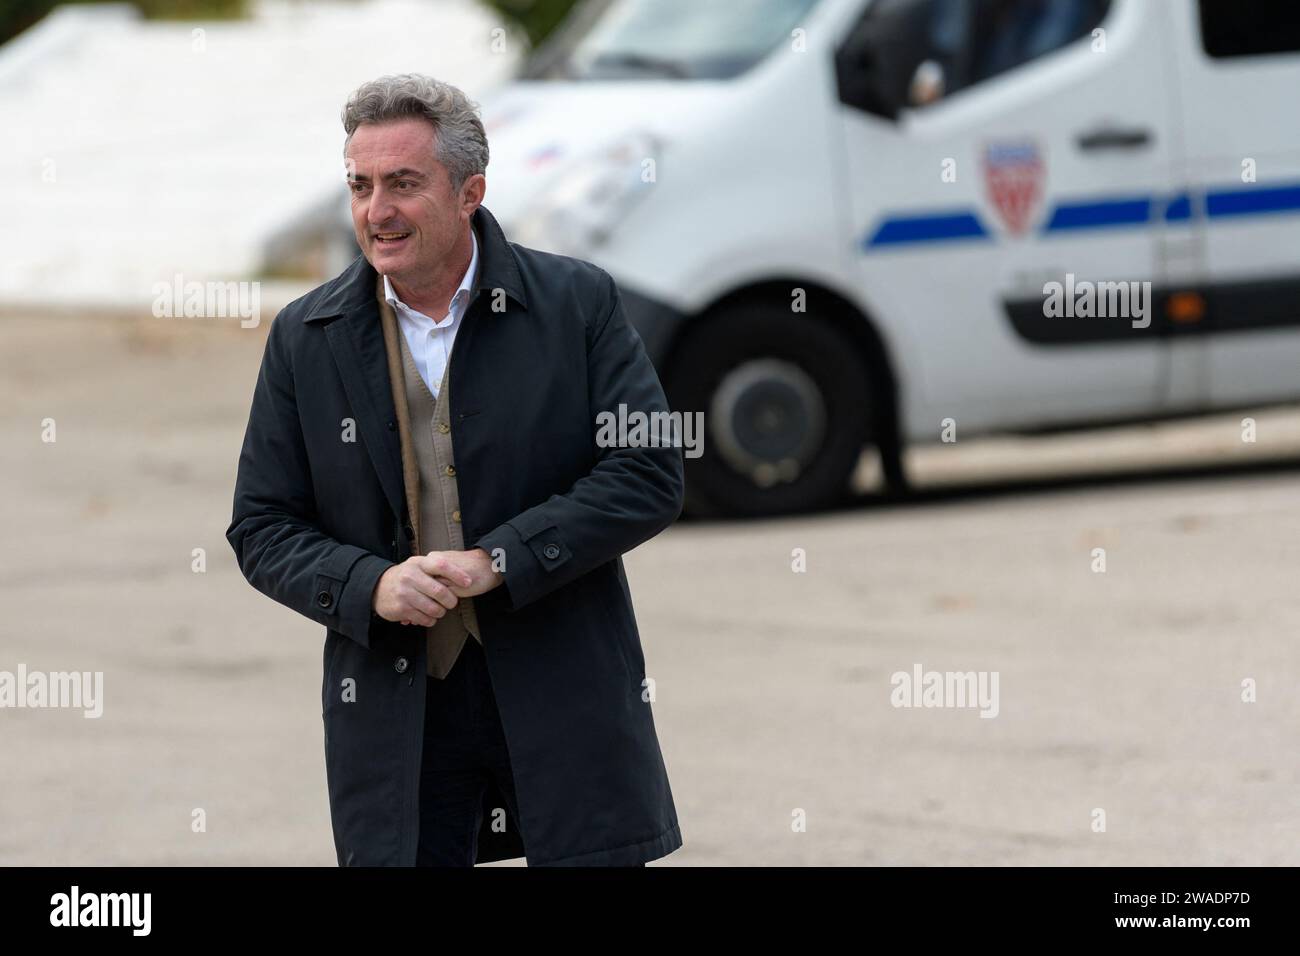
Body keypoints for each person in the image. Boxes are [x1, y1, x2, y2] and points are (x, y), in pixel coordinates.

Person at [226, 73, 684, 867]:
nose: (377, 211)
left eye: (404, 183)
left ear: (470, 190)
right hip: (398, 705)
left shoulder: (579, 304)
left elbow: (647, 470)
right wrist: (369, 585)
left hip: (562, 683)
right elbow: (262, 525)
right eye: (360, 186)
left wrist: (499, 560)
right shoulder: (307, 336)